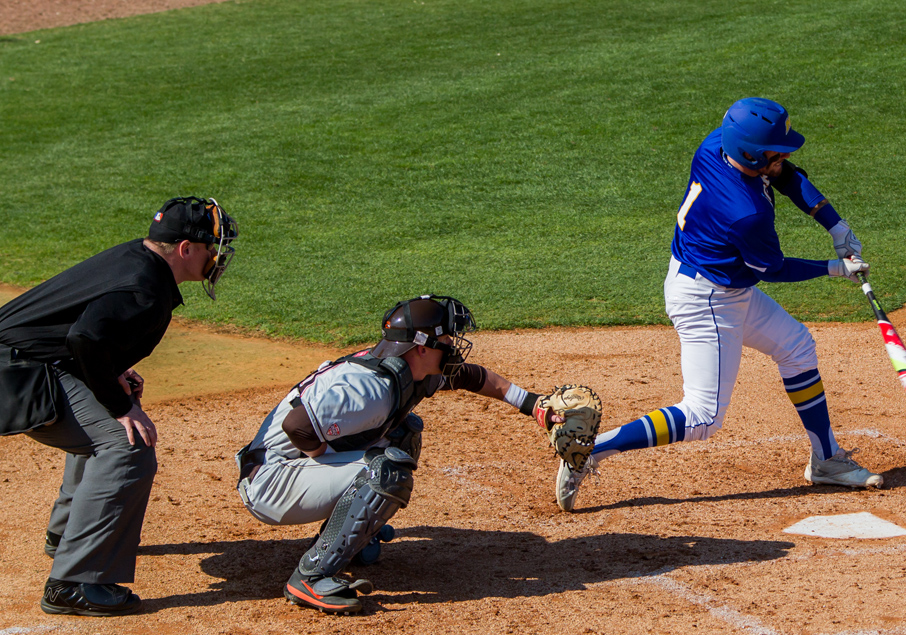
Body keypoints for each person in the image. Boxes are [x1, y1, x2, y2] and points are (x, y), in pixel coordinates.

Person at [555, 97, 881, 512]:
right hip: (707, 299)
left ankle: (827, 460)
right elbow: (773, 269)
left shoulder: (717, 145)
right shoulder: (746, 213)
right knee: (702, 417)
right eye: (774, 151)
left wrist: (833, 222)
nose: (783, 156)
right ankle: (590, 449)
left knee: (797, 348)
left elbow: (784, 175)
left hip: (720, 284)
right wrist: (834, 268)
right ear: (751, 153)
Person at [235, 295, 557, 615]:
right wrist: (330, 457)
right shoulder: (370, 390)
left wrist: (533, 404)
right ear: (421, 347)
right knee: (384, 472)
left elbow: (473, 377)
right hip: (268, 482)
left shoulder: (408, 371)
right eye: (446, 339)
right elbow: (298, 425)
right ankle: (310, 576)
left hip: (288, 466)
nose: (453, 346)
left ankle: (346, 539)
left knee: (405, 433)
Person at [0, 197, 238, 615]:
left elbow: (80, 328)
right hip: (16, 375)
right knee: (127, 442)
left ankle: (67, 536)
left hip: (24, 361)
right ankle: (73, 583)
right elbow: (85, 338)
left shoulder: (138, 259)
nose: (219, 256)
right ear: (185, 249)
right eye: (211, 246)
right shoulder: (144, 287)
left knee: (111, 409)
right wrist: (119, 405)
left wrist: (112, 374)